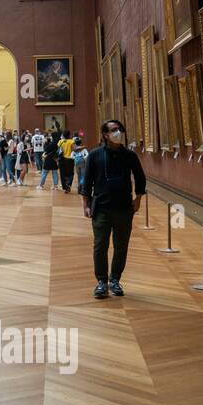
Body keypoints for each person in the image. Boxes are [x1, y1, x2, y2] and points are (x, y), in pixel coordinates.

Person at [80, 119, 148, 299]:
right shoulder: (94, 156)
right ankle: (101, 282)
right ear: (105, 134)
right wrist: (85, 205)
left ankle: (115, 280)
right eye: (113, 130)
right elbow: (86, 182)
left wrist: (138, 199)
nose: (118, 133)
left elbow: (140, 178)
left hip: (124, 208)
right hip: (101, 207)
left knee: (121, 246)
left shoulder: (130, 155)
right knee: (100, 245)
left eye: (119, 129)